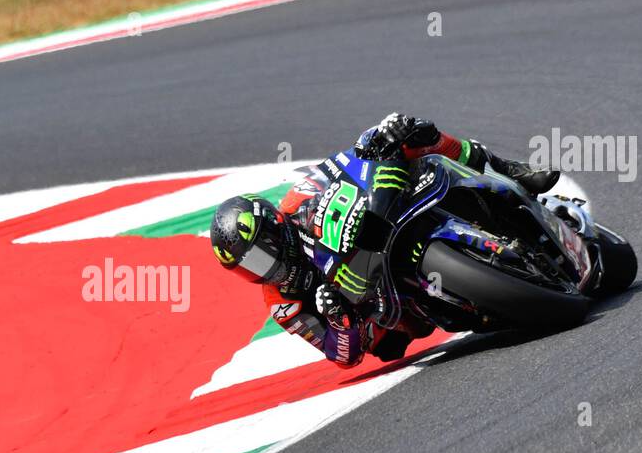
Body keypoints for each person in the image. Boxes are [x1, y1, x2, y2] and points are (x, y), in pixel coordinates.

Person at [210, 113, 560, 369]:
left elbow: (343, 165)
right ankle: (468, 297)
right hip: (382, 312)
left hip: (374, 236)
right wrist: (339, 320)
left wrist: (378, 139)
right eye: (249, 267)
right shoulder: (281, 302)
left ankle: (510, 169)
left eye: (262, 254)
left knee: (411, 134)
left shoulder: (297, 201)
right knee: (390, 344)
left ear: (274, 225)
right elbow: (342, 356)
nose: (264, 268)